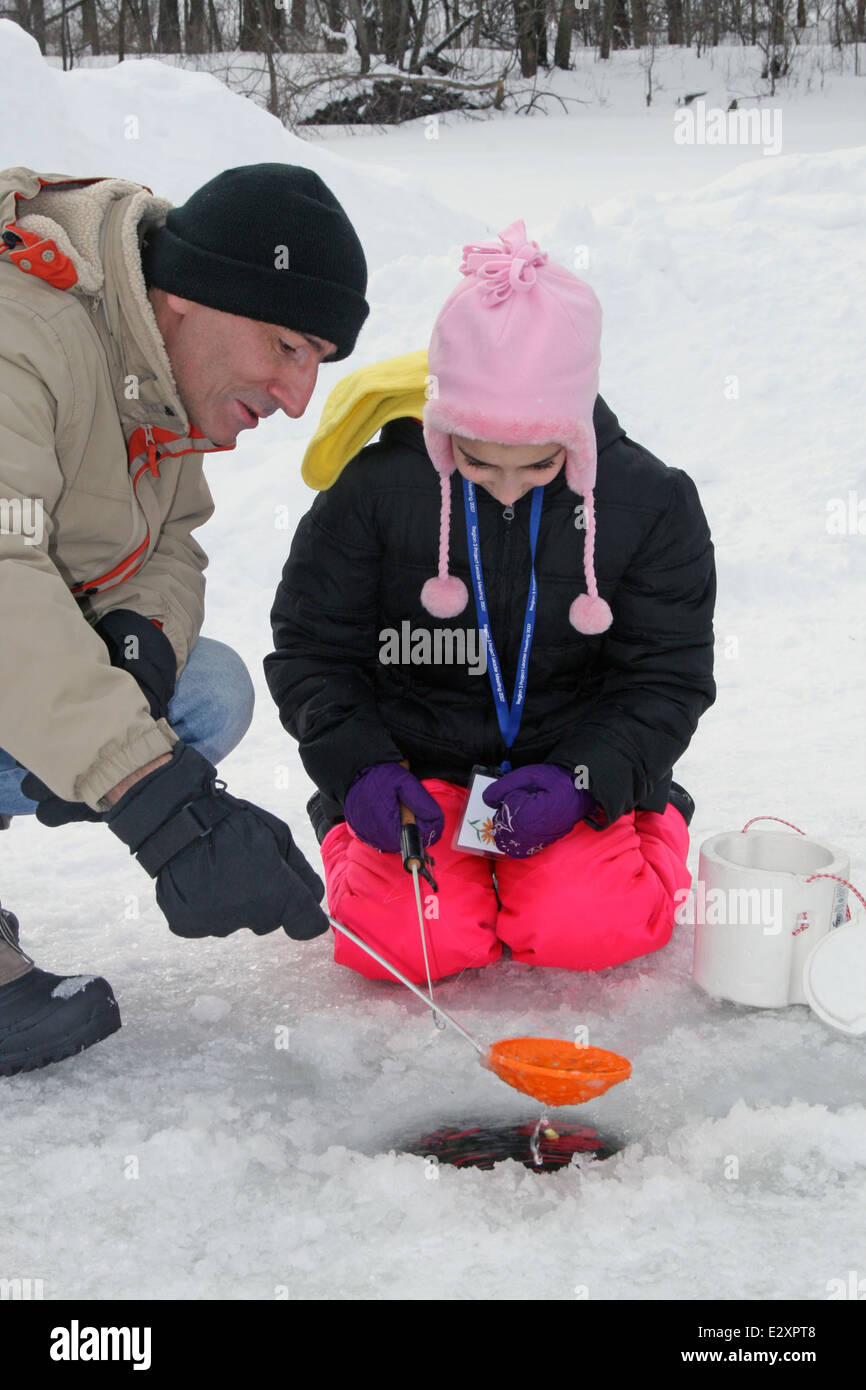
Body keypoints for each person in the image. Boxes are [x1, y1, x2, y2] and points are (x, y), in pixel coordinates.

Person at [264, 220, 716, 984]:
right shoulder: (372, 495)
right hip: (416, 770)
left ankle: (649, 821)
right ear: (443, 428)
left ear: (575, 432)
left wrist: (587, 780)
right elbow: (313, 654)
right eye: (475, 460)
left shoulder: (651, 502)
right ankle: (352, 836)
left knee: (588, 932)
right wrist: (363, 770)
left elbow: (666, 677)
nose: (506, 485)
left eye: (539, 463)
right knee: (404, 949)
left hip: (565, 772)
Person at [0, 162, 369, 1075]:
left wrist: (140, 648)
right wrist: (158, 803)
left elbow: (173, 539)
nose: (297, 399)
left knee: (202, 692)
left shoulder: (146, 361)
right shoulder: (24, 334)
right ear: (189, 299)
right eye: (287, 346)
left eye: (316, 363)